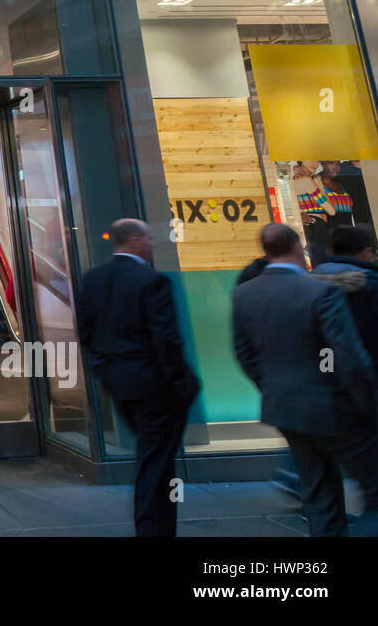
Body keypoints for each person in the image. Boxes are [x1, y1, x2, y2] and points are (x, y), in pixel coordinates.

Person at [233, 222, 378, 536]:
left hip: (286, 407)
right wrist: (368, 403)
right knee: (373, 490)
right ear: (298, 248)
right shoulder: (321, 291)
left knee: (318, 494)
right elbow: (349, 357)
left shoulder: (244, 294)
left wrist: (274, 386)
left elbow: (244, 353)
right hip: (335, 406)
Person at [75, 218, 200, 536]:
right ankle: (154, 528)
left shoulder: (92, 280)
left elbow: (86, 333)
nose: (153, 244)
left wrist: (103, 370)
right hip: (155, 385)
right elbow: (166, 339)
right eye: (148, 238)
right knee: (157, 462)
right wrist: (182, 383)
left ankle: (154, 525)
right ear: (133, 240)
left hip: (119, 382)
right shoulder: (150, 281)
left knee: (152, 456)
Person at [312, 225, 378, 367]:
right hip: (369, 368)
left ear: (330, 252)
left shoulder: (309, 285)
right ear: (366, 253)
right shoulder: (372, 283)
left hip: (327, 369)